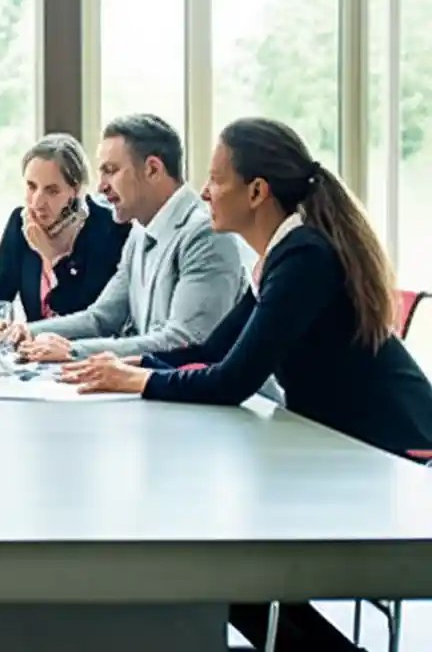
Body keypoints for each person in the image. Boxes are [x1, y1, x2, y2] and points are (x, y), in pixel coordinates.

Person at [62, 117, 432, 652]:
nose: (205, 191)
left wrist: (137, 379)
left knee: (220, 565)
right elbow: (213, 351)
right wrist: (126, 368)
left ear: (257, 191)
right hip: (338, 447)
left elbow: (233, 379)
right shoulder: (279, 259)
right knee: (217, 562)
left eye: (216, 180)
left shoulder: (305, 257)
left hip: (388, 452)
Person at [0, 114, 246, 362]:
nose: (101, 187)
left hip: (229, 405)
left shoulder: (205, 235)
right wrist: (28, 333)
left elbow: (184, 342)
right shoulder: (139, 232)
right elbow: (101, 318)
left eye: (111, 171)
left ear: (153, 169)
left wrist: (72, 351)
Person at [0, 133, 130, 340]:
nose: (37, 202)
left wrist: (54, 258)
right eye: (31, 187)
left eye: (52, 191)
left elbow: (85, 319)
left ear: (74, 192)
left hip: (86, 357)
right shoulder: (20, 224)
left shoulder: (108, 228)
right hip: (36, 358)